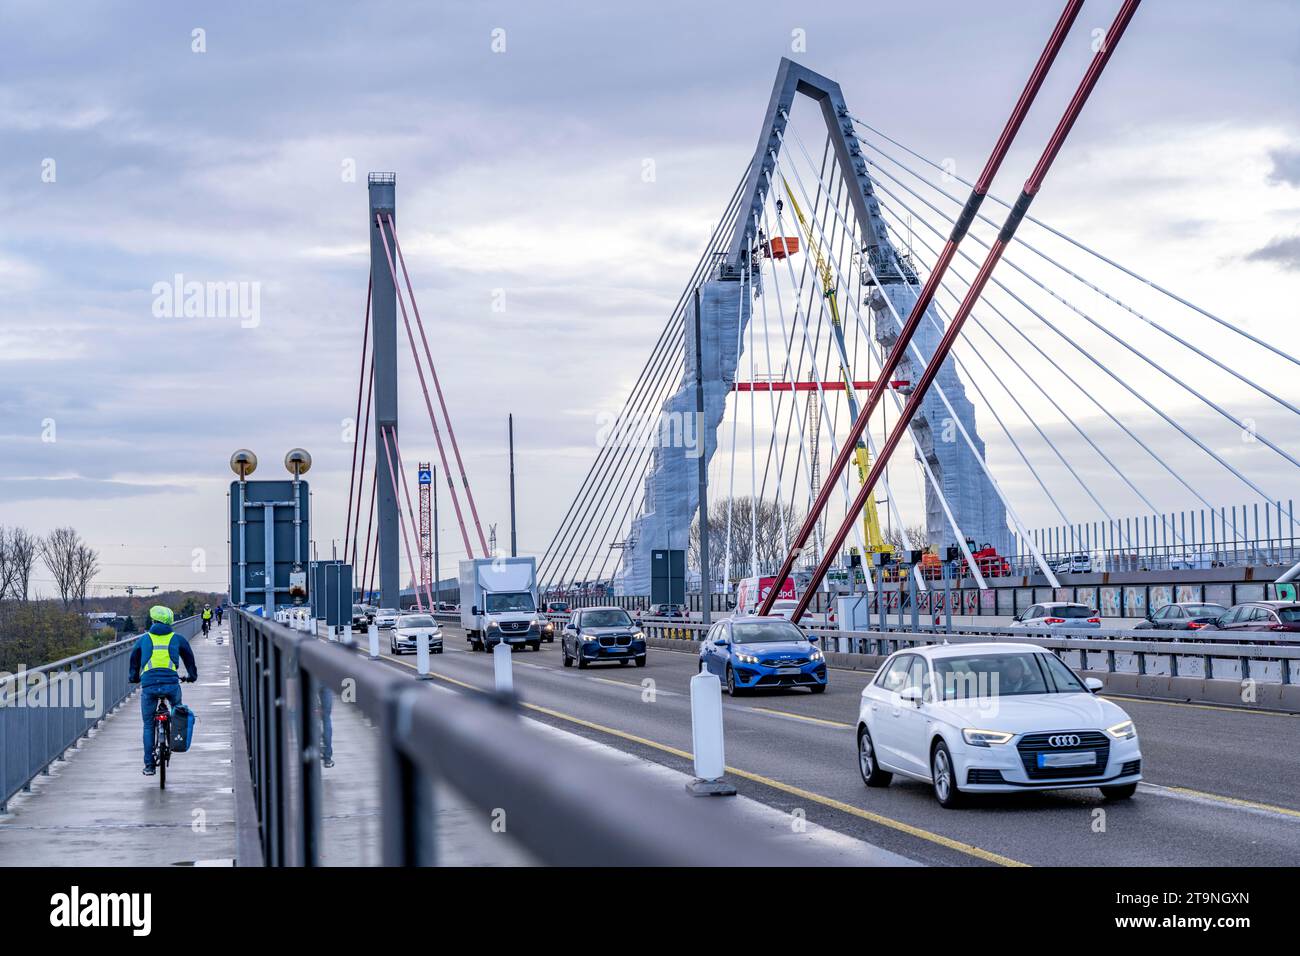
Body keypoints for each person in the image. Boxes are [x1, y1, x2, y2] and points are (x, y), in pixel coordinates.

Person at [128, 605, 198, 775]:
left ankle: (149, 765)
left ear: (153, 621)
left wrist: (134, 677)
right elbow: (189, 658)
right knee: (177, 712)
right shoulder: (177, 638)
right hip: (171, 684)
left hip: (149, 685)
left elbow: (134, 660)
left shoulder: (144, 639)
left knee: (148, 725)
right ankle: (177, 738)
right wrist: (191, 676)